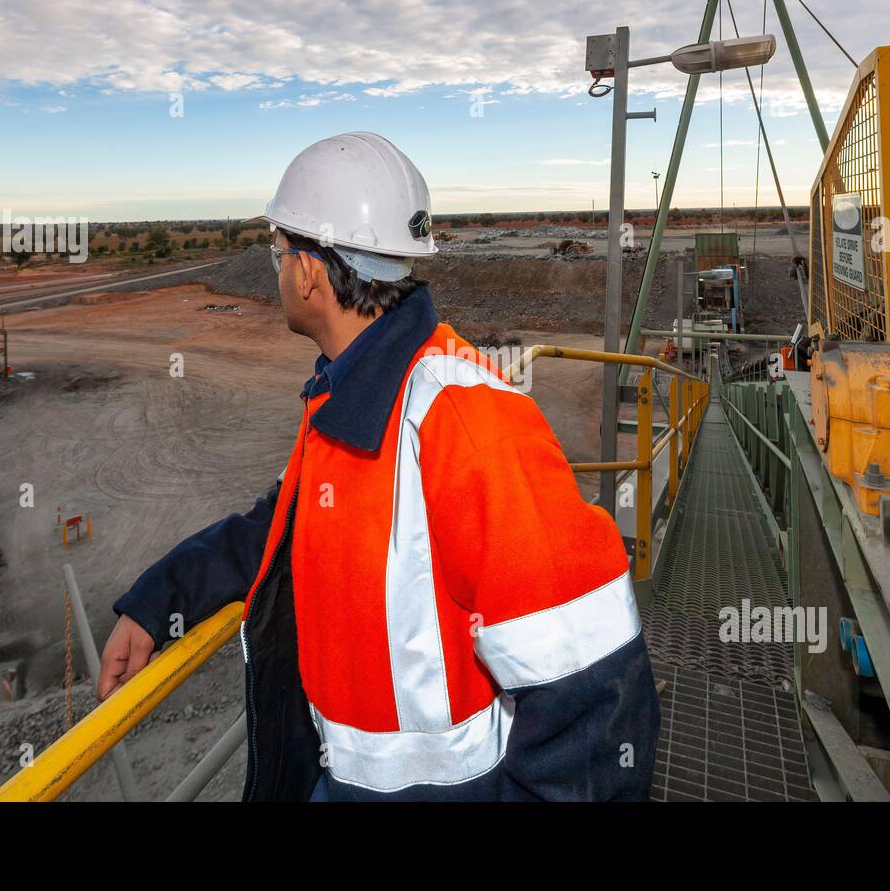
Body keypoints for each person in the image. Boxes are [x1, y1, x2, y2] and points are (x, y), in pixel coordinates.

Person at [98, 131, 660, 800]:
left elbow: (598, 704)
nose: (277, 268)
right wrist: (160, 601)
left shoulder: (466, 424)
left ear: (309, 273)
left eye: (279, 252)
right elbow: (281, 529)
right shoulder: (349, 401)